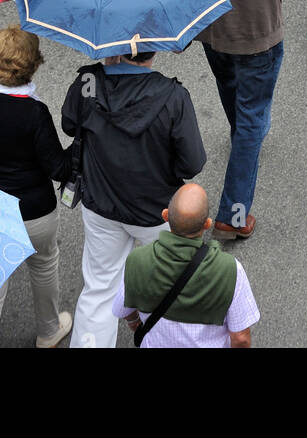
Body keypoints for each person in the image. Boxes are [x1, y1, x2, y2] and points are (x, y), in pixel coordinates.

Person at [169, 0, 301, 240]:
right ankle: (233, 215)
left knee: (228, 84)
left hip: (215, 36)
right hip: (259, 40)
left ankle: (238, 132)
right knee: (253, 119)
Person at [62, 49, 206, 348]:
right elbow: (191, 164)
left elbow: (69, 125)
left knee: (99, 289)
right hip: (157, 212)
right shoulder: (173, 95)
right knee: (170, 289)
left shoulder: (88, 80)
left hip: (101, 205)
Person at [0, 27, 72, 349]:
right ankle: (49, 331)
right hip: (34, 212)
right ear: (34, 65)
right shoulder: (34, 113)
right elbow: (58, 168)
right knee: (44, 264)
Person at [112, 184, 260, 347]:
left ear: (166, 215)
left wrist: (134, 322)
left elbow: (123, 310)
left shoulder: (137, 261)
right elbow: (241, 338)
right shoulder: (230, 270)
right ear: (207, 224)